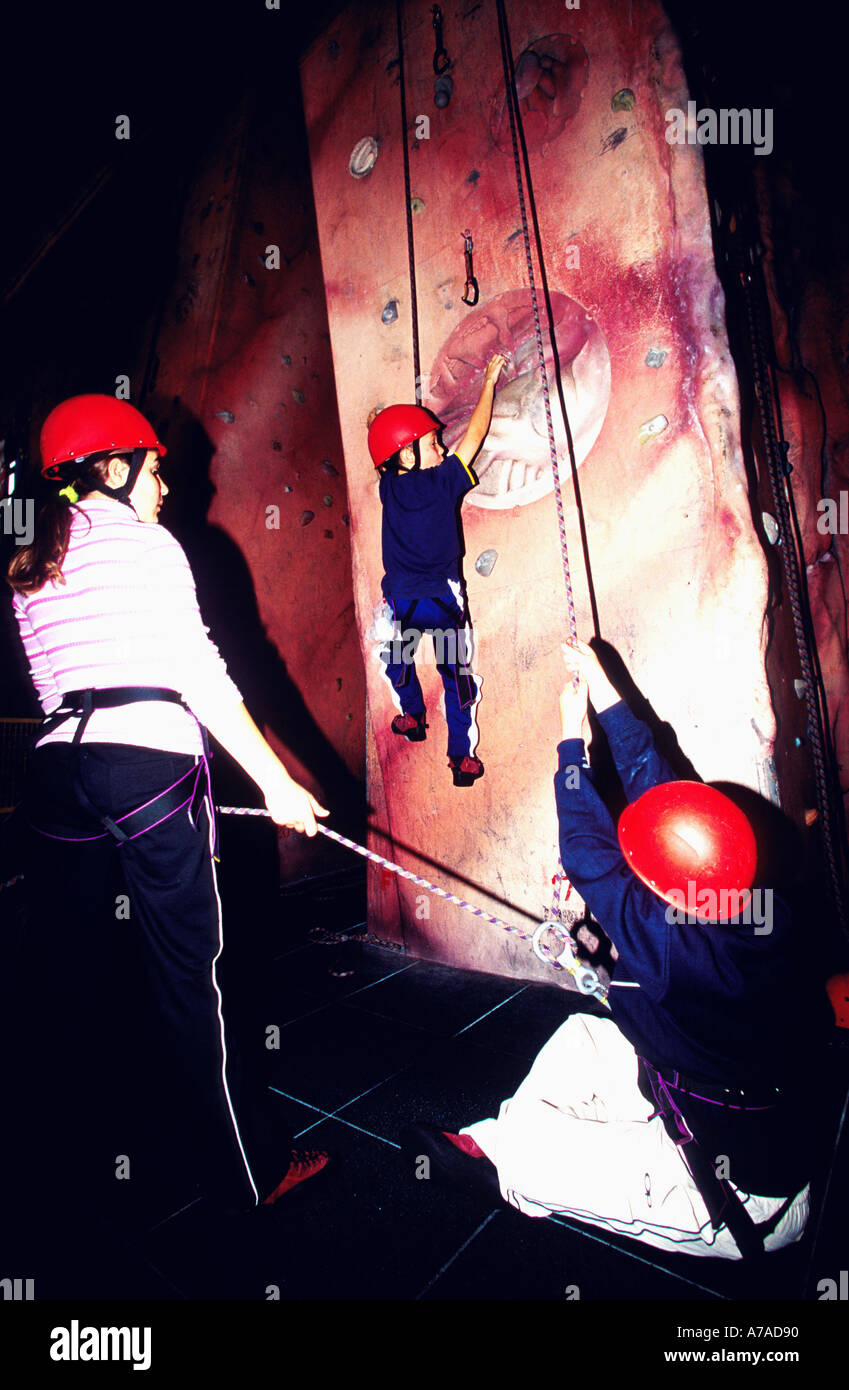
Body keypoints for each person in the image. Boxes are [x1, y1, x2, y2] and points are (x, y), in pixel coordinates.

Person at [403, 638, 831, 1259]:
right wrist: (604, 692)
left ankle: (512, 1168)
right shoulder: (755, 898)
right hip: (715, 1095)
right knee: (584, 1036)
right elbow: (671, 797)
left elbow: (587, 853)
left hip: (737, 1194)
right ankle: (507, 1137)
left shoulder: (678, 953)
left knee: (538, 1159)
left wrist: (570, 740)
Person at [8, 393, 330, 1216]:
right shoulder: (148, 545)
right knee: (192, 978)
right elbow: (200, 670)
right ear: (113, 470)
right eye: (155, 470)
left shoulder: (29, 557)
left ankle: (71, 1175)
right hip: (149, 766)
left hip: (53, 777)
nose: (166, 488)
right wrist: (276, 780)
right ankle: (250, 1174)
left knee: (72, 971)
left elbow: (50, 687)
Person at [368, 354, 507, 786]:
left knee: (431, 669)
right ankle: (421, 721)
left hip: (424, 601)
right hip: (422, 602)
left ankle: (453, 747)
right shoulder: (430, 480)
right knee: (423, 668)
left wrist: (392, 428)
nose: (444, 448)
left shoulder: (392, 484)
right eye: (433, 443)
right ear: (405, 456)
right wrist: (489, 380)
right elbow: (476, 434)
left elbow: (390, 445)